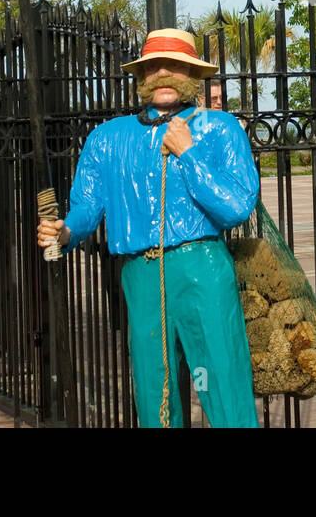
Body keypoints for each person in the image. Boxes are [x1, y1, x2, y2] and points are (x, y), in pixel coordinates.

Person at [36, 28, 260, 428]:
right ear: (140, 76)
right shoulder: (107, 137)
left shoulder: (220, 128)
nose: (163, 75)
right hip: (140, 274)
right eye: (153, 67)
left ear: (192, 73)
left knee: (223, 378)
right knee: (153, 388)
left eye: (174, 65)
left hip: (203, 268)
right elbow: (88, 204)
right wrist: (65, 232)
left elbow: (237, 207)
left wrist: (189, 154)